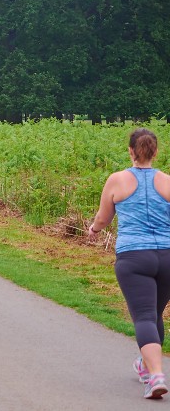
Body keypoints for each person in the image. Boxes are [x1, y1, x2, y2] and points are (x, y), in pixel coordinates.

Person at [87, 128, 170, 400]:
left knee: (144, 316)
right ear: (156, 152)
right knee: (155, 314)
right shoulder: (167, 181)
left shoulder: (117, 180)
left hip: (134, 256)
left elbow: (103, 218)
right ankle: (145, 366)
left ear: (131, 151)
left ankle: (156, 375)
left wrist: (93, 230)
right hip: (167, 256)